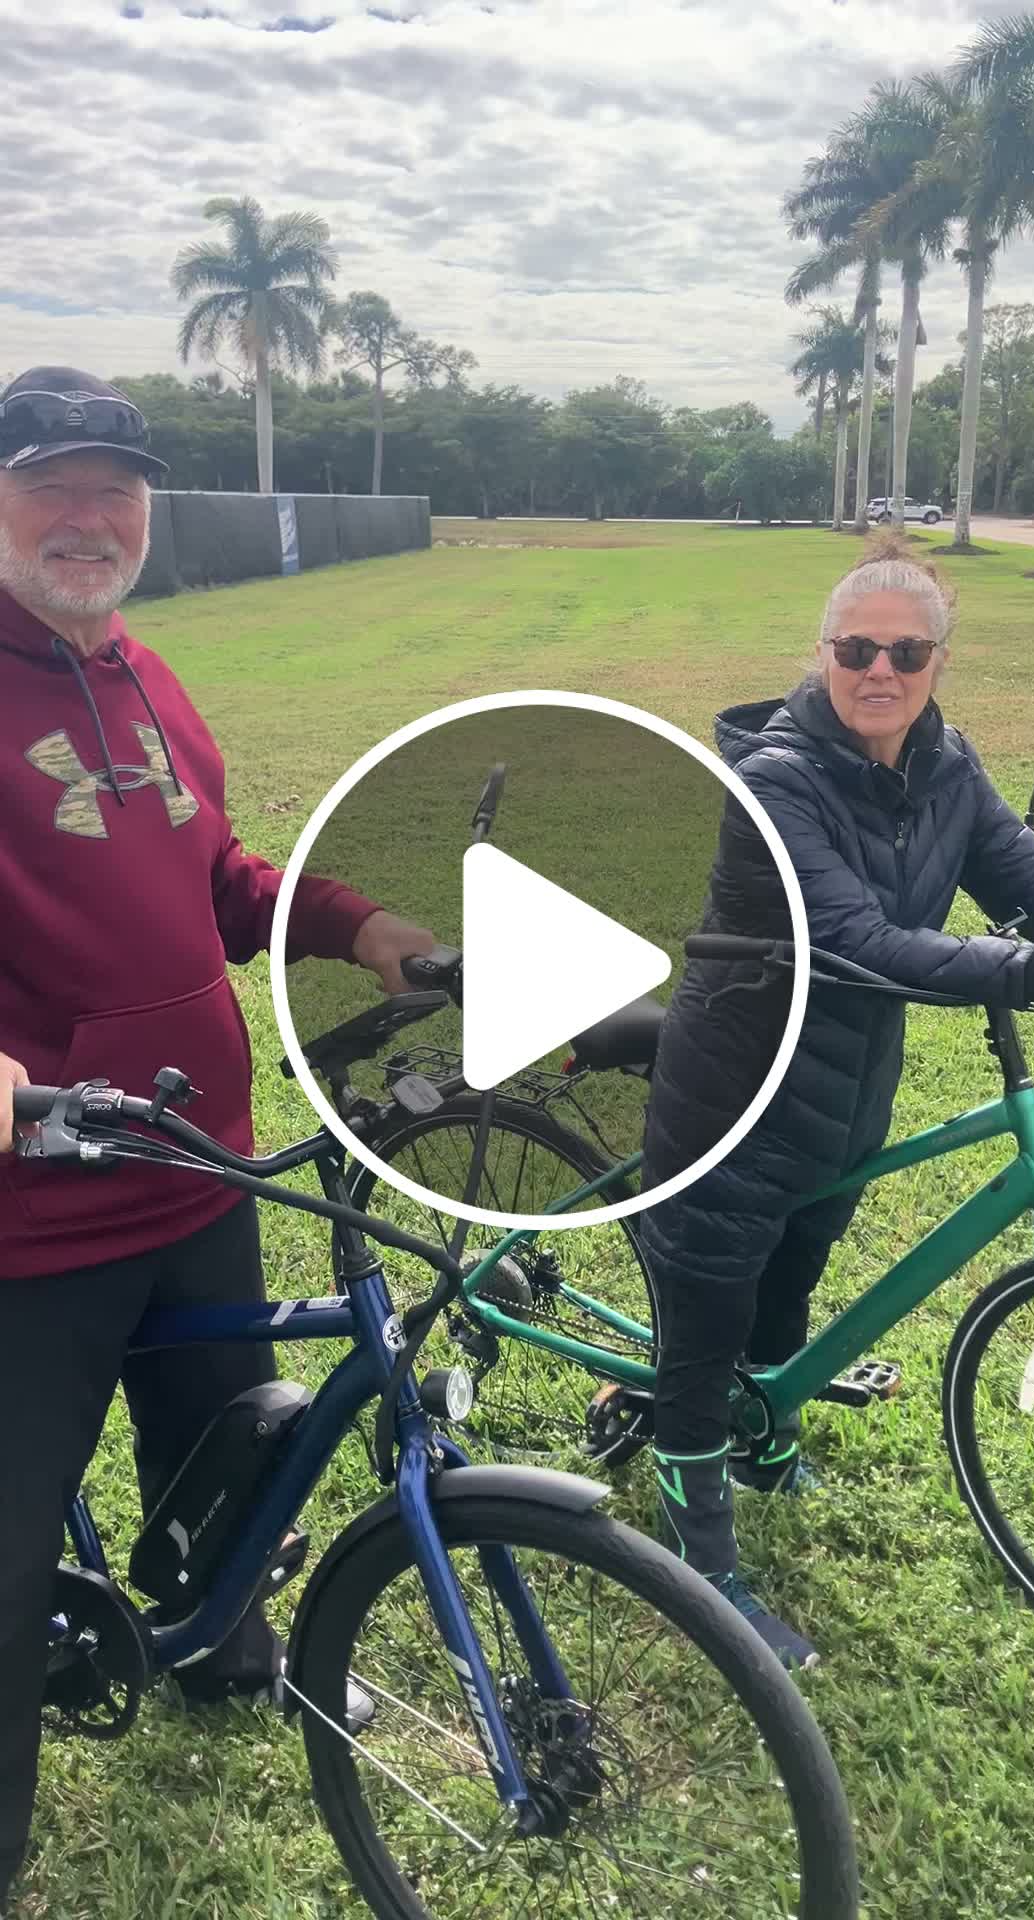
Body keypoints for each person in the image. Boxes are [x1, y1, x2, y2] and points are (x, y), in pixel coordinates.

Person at [0, 368, 436, 1911]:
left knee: (222, 1464)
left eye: (115, 488)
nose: (87, 517)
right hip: (36, 1219)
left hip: (196, 1166)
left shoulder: (148, 673)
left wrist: (357, 924)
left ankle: (231, 1654)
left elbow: (221, 875)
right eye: (52, 484)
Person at [639, 535, 1034, 1671]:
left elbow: (1026, 872)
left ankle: (766, 1441)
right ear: (823, 653)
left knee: (790, 1284)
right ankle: (701, 1560)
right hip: (738, 1090)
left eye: (907, 650)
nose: (879, 670)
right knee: (706, 1326)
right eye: (856, 648)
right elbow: (858, 941)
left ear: (939, 661)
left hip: (844, 1094)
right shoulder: (776, 777)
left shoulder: (947, 764)